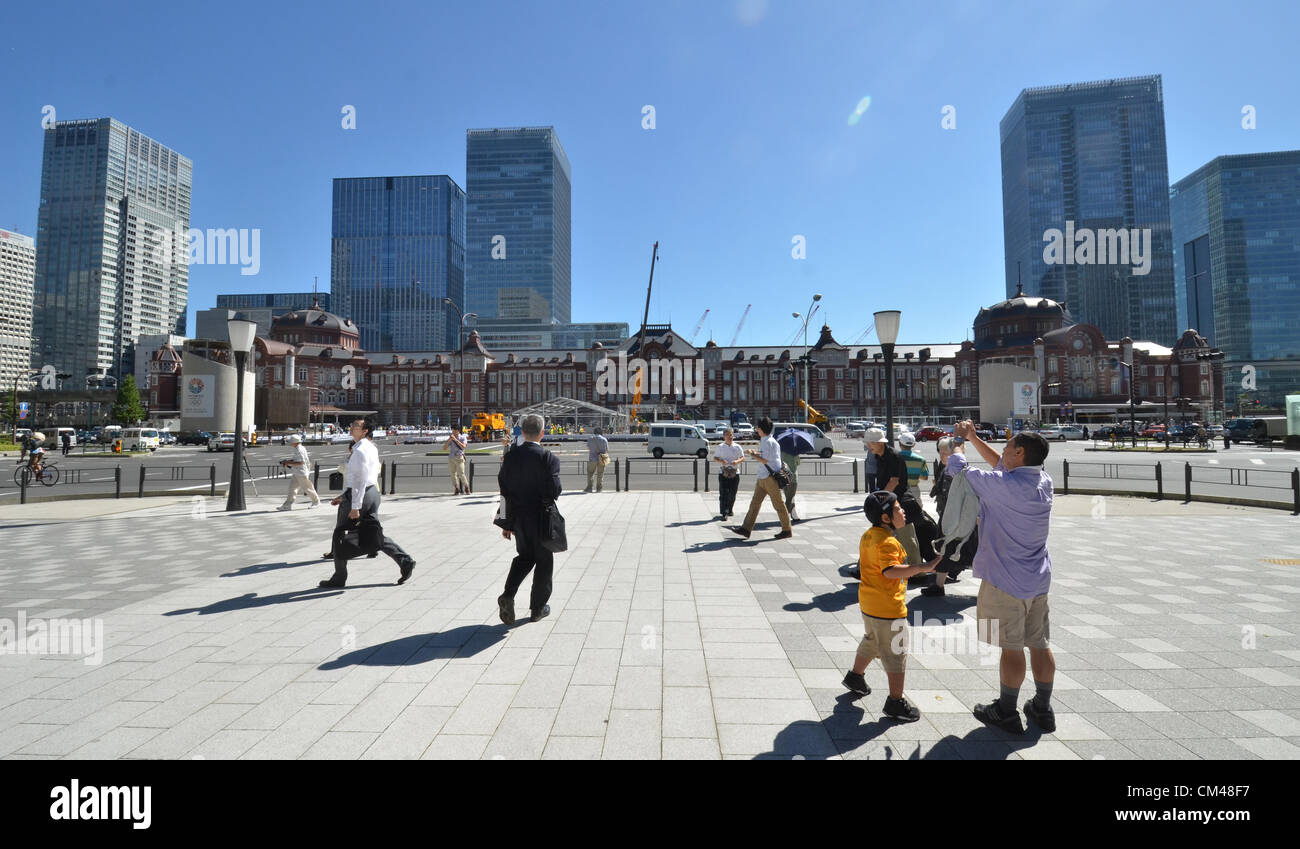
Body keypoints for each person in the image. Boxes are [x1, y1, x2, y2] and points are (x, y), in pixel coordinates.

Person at [952, 420, 1056, 734]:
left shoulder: (1005, 486)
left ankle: (1006, 711)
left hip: (1005, 580)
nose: (1003, 450)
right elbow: (1000, 463)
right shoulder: (1043, 481)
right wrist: (974, 437)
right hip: (1037, 579)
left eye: (1009, 446)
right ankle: (1042, 708)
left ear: (1020, 452)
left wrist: (959, 441)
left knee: (1011, 648)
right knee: (1039, 643)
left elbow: (957, 469)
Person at [841, 490, 941, 722]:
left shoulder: (869, 535)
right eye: (897, 509)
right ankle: (895, 702)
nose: (902, 511)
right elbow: (890, 571)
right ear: (885, 518)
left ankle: (855, 677)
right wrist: (923, 567)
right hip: (888, 608)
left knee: (872, 641)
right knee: (897, 654)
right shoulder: (888, 542)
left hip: (869, 603)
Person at [319, 419, 416, 588]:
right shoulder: (370, 447)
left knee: (339, 534)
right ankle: (404, 560)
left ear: (365, 431)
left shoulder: (359, 451)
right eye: (352, 425)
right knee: (373, 532)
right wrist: (344, 495)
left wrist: (355, 506)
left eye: (355, 426)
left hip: (360, 495)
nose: (351, 428)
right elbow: (362, 477)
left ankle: (339, 577)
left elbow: (359, 479)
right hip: (371, 493)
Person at [497, 414, 562, 624]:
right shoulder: (548, 458)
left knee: (525, 557)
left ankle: (508, 594)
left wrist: (506, 523)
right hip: (541, 518)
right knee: (544, 561)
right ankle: (538, 608)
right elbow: (555, 491)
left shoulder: (510, 457)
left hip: (518, 517)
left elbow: (504, 492)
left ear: (523, 432)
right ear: (542, 433)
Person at [728, 416, 793, 540]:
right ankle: (746, 529)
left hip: (770, 478)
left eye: (758, 427)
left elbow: (764, 460)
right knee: (755, 504)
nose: (757, 429)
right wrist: (754, 453)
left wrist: (752, 454)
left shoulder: (768, 442)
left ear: (762, 429)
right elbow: (765, 456)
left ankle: (787, 529)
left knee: (778, 504)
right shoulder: (767, 440)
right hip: (763, 477)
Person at [276, 434, 321, 511]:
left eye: (291, 442)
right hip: (297, 472)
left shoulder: (299, 450)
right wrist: (288, 461)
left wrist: (287, 462)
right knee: (292, 489)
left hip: (301, 472)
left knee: (308, 488)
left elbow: (300, 462)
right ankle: (287, 505)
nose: (290, 444)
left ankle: (316, 502)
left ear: (295, 442)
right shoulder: (299, 448)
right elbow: (297, 460)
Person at [713, 428, 745, 519]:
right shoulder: (720, 446)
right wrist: (721, 461)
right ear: (724, 436)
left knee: (732, 493)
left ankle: (730, 509)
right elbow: (715, 458)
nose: (729, 437)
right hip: (723, 473)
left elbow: (743, 457)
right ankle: (724, 512)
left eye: (731, 435)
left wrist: (737, 461)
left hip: (735, 473)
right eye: (727, 435)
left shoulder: (737, 446)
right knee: (724, 493)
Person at [584, 427, 609, 493]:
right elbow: (607, 450)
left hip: (592, 458)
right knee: (600, 474)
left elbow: (588, 448)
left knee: (590, 473)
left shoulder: (590, 439)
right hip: (602, 459)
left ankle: (589, 488)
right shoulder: (604, 439)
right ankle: (599, 488)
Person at [446, 428, 471, 494]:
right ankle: (456, 488)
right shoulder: (451, 438)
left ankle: (466, 487)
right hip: (451, 457)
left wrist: (456, 440)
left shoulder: (463, 438)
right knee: (453, 474)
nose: (453, 432)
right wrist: (449, 440)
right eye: (452, 431)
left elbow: (463, 446)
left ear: (458, 431)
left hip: (459, 457)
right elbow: (444, 448)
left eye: (454, 431)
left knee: (461, 473)